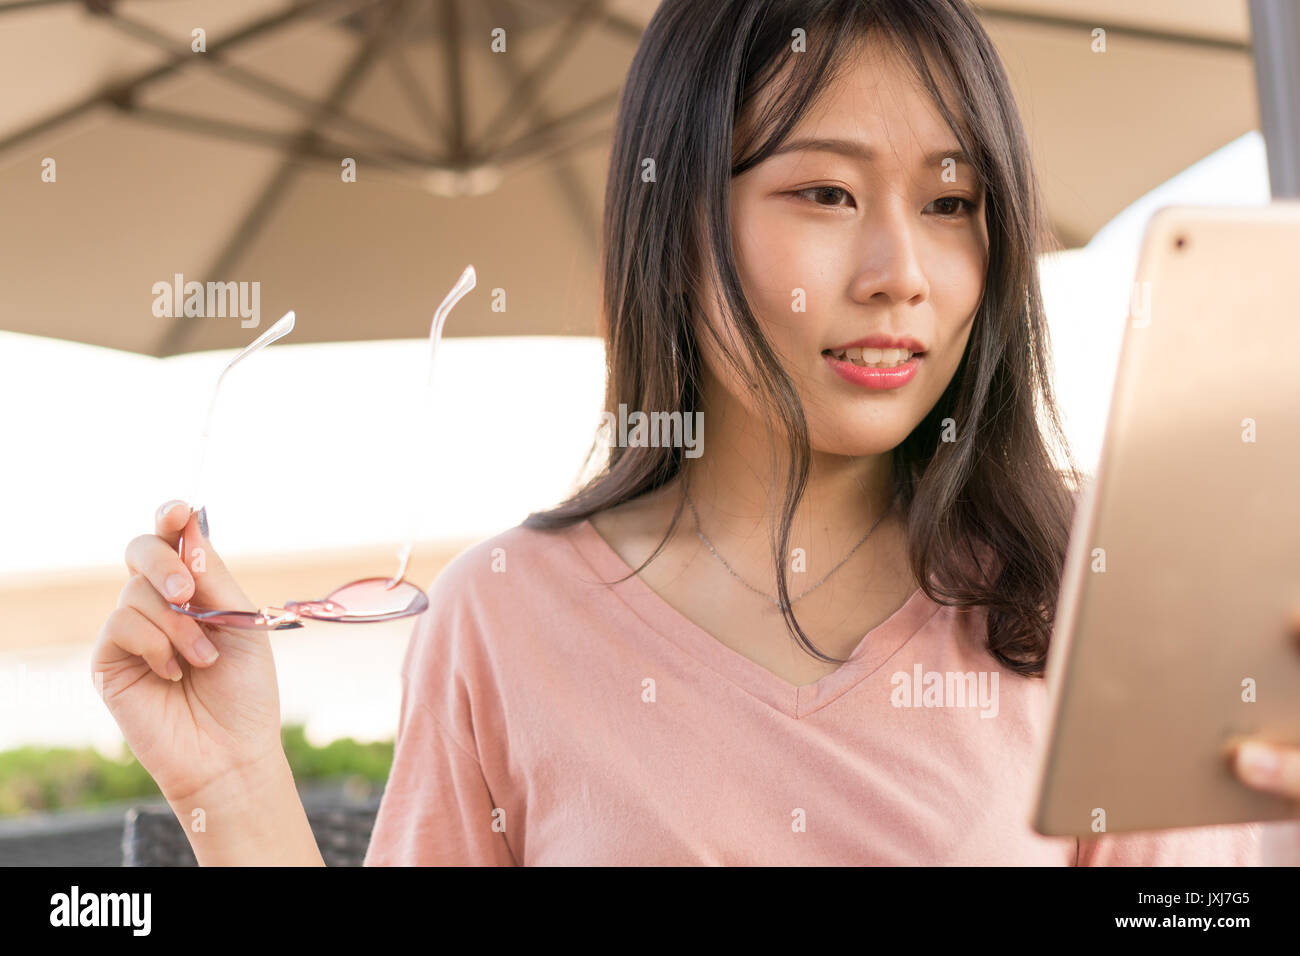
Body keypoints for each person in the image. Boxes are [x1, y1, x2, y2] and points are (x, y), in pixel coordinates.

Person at [92, 0, 1295, 865]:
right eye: (823, 192)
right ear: (676, 225)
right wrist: (232, 784)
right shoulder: (504, 616)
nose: (900, 273)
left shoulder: (1094, 585)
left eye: (950, 203)